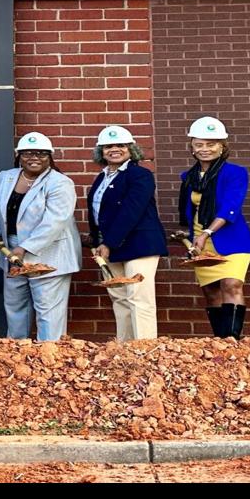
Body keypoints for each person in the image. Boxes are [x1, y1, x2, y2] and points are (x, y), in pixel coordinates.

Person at [0, 132, 80, 342]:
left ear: (50, 157)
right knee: (15, 306)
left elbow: (55, 221)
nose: (34, 157)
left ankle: (49, 357)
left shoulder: (60, 182)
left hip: (49, 252)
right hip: (11, 250)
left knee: (47, 309)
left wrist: (25, 247)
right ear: (19, 155)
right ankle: (17, 354)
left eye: (41, 153)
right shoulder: (7, 176)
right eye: (28, 153)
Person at [85, 125, 166, 341]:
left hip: (139, 244)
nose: (114, 149)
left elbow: (132, 210)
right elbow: (98, 212)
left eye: (120, 145)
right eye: (108, 146)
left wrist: (108, 242)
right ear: (101, 151)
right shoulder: (101, 177)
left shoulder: (140, 175)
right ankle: (124, 348)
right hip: (109, 246)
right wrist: (97, 239)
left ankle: (144, 349)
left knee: (139, 298)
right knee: (119, 298)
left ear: (131, 149)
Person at [178, 116, 250, 338]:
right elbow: (190, 211)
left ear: (222, 147)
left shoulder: (235, 173)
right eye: (199, 144)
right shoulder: (188, 177)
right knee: (211, 292)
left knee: (232, 285)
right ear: (192, 147)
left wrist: (207, 232)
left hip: (230, 239)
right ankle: (220, 340)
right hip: (201, 241)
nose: (205, 149)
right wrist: (191, 235)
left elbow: (231, 207)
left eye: (211, 144)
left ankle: (233, 340)